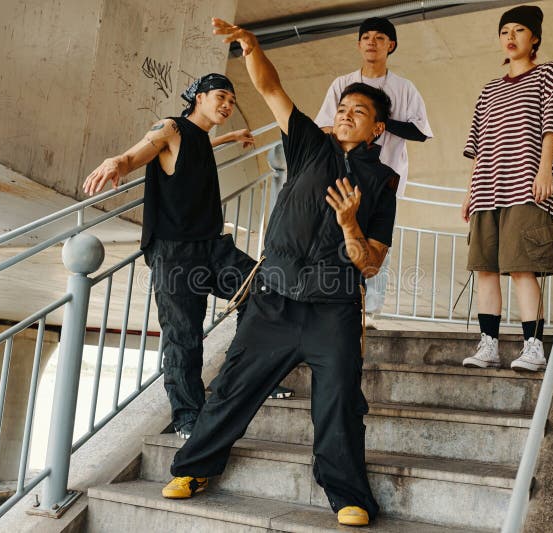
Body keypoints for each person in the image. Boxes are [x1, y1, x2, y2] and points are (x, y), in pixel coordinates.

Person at [160, 17, 400, 528]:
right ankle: (196, 466)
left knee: (337, 398)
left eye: (359, 112)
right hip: (273, 297)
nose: (347, 115)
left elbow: (372, 261)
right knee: (231, 387)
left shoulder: (382, 183)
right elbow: (270, 88)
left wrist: (351, 225)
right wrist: (250, 46)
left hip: (333, 307)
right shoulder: (310, 144)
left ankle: (346, 493)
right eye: (342, 108)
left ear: (377, 128)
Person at [83, 73, 262, 440]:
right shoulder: (170, 127)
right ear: (198, 97)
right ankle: (187, 417)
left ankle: (247, 376)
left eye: (232, 100)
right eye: (221, 97)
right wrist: (118, 161)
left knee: (263, 286)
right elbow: (141, 150)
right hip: (174, 251)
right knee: (184, 335)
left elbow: (198, 148)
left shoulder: (198, 137)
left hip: (211, 245)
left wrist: (229, 137)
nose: (228, 105)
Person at [460, 5, 553, 371]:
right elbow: (478, 146)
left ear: (534, 37)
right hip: (486, 190)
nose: (510, 37)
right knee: (485, 269)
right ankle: (489, 344)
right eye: (504, 31)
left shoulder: (548, 75)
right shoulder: (488, 90)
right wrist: (469, 193)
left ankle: (533, 346)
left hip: (526, 186)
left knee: (523, 268)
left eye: (519, 30)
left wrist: (545, 172)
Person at [315, 17, 433, 328]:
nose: (371, 42)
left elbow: (421, 131)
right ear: (358, 44)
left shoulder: (403, 88)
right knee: (337, 232)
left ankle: (367, 309)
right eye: (366, 37)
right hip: (342, 172)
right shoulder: (342, 83)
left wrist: (380, 121)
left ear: (390, 45)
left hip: (383, 175)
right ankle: (328, 298)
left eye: (380, 37)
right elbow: (325, 125)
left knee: (375, 242)